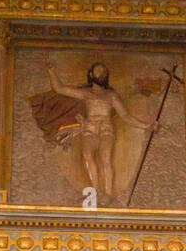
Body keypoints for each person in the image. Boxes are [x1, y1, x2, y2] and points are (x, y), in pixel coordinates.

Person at [42, 58, 156, 205]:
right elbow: (60, 89)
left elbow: (125, 116)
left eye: (103, 71)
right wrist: (51, 71)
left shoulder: (111, 95)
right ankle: (94, 192)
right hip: (89, 128)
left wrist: (146, 125)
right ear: (91, 74)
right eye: (98, 70)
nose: (101, 72)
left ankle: (107, 193)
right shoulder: (86, 93)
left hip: (106, 128)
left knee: (105, 158)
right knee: (87, 154)